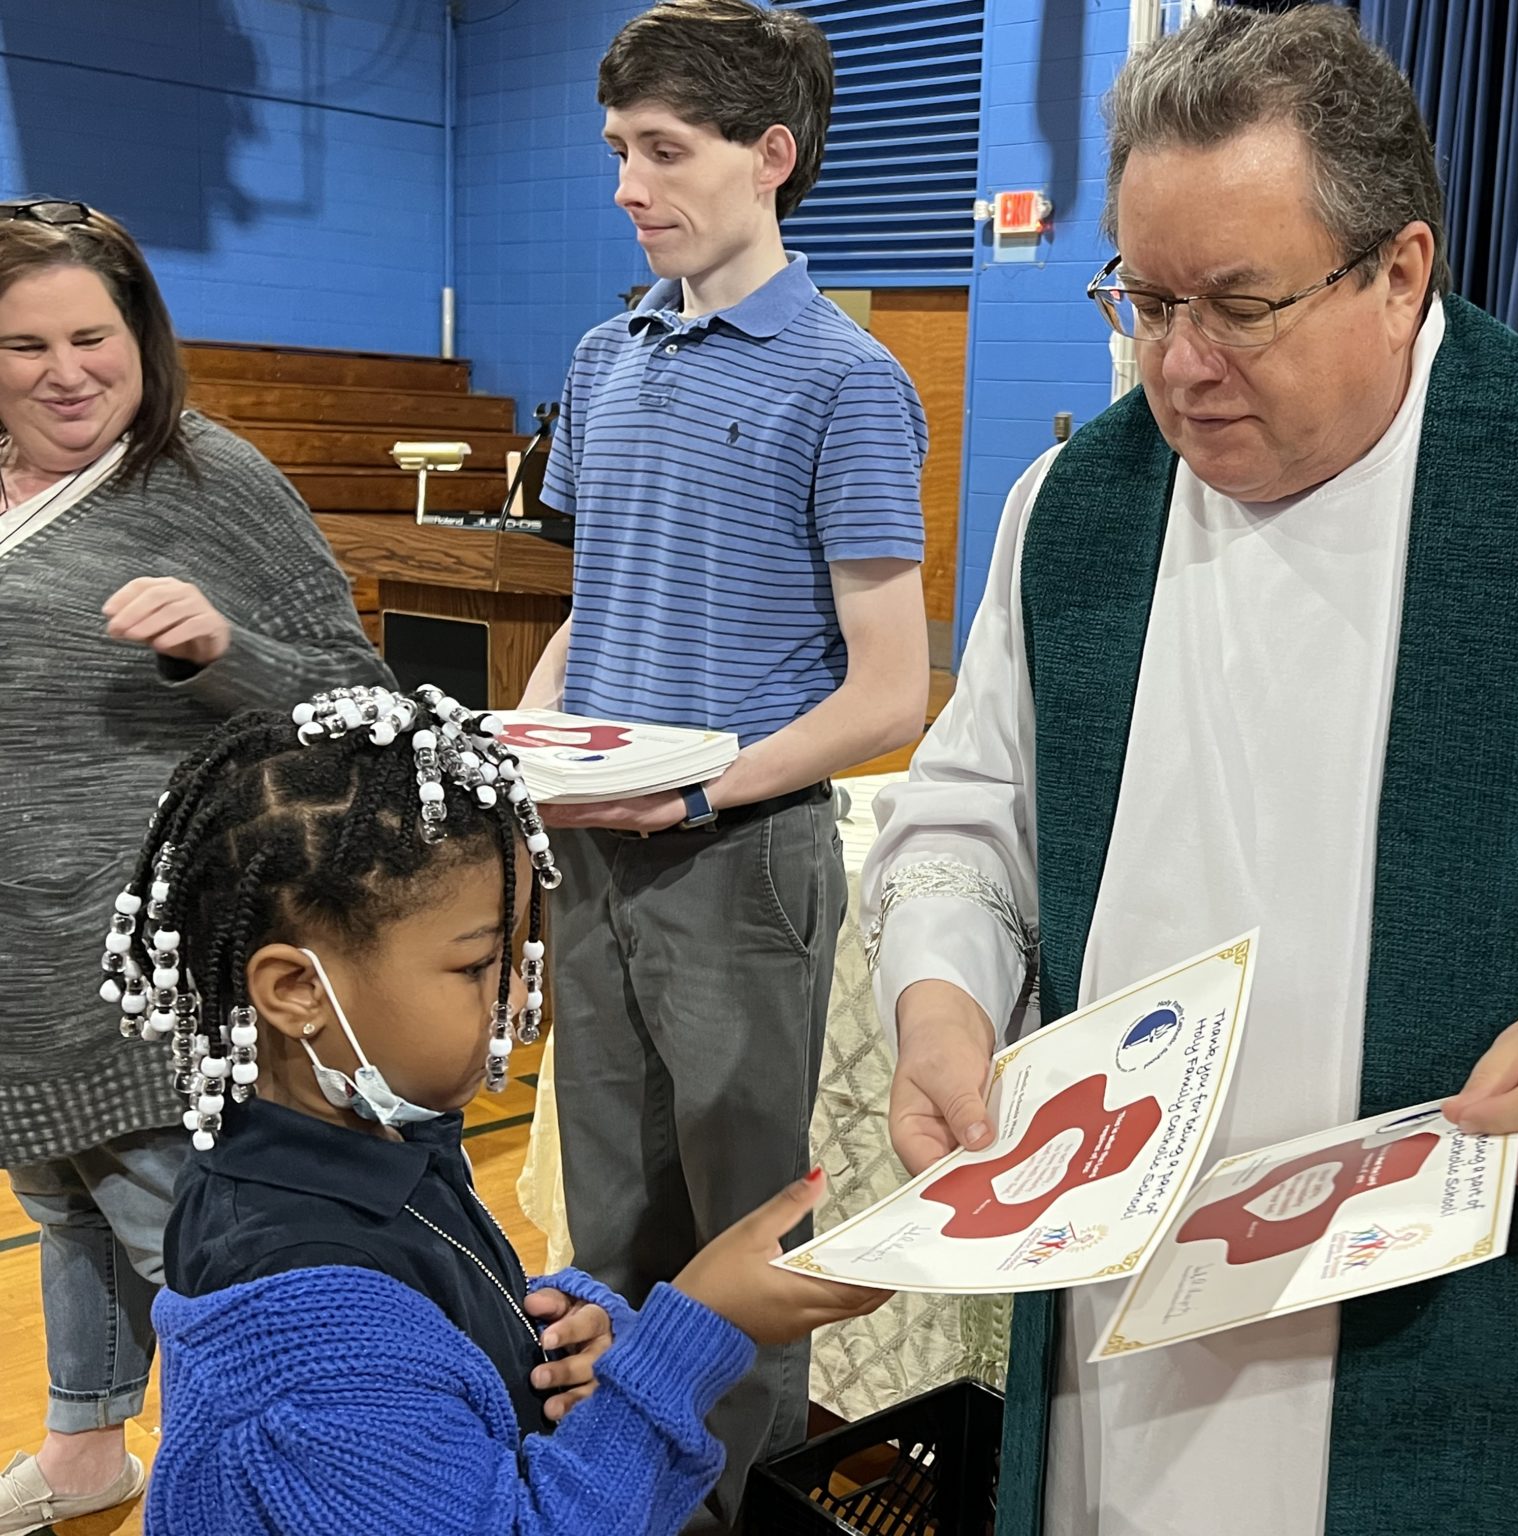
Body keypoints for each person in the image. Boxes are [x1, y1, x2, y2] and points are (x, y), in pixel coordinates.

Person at [862, 12, 1518, 1536]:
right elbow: (970, 813)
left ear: (1401, 270)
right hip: (1127, 1309)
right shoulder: (1075, 508)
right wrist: (940, 989)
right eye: (1142, 301)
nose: (1180, 367)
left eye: (1241, 305)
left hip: (1461, 1324)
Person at [120, 685, 889, 1530]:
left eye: (519, 953)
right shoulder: (304, 1319)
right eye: (480, 964)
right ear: (297, 989)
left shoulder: (365, 1141)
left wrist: (547, 1335)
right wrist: (694, 1332)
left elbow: (436, 1317)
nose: (520, 994)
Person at [518, 3, 930, 1523]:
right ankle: (602, 1492)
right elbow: (591, 609)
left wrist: (694, 791)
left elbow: (889, 689)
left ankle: (724, 1506)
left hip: (735, 863)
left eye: (664, 151)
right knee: (609, 1211)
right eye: (620, 150)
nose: (629, 183)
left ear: (773, 158)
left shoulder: (847, 381)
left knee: (741, 1234)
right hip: (594, 849)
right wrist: (537, 750)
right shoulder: (600, 354)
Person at [0, 199, 391, 1536]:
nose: (65, 371)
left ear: (143, 338)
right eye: (23, 342)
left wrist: (222, 647)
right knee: (61, 1199)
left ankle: (296, 1485)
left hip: (151, 955)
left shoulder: (209, 479)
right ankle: (87, 1449)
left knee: (193, 1238)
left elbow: (360, 693)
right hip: (15, 955)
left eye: (92, 337)